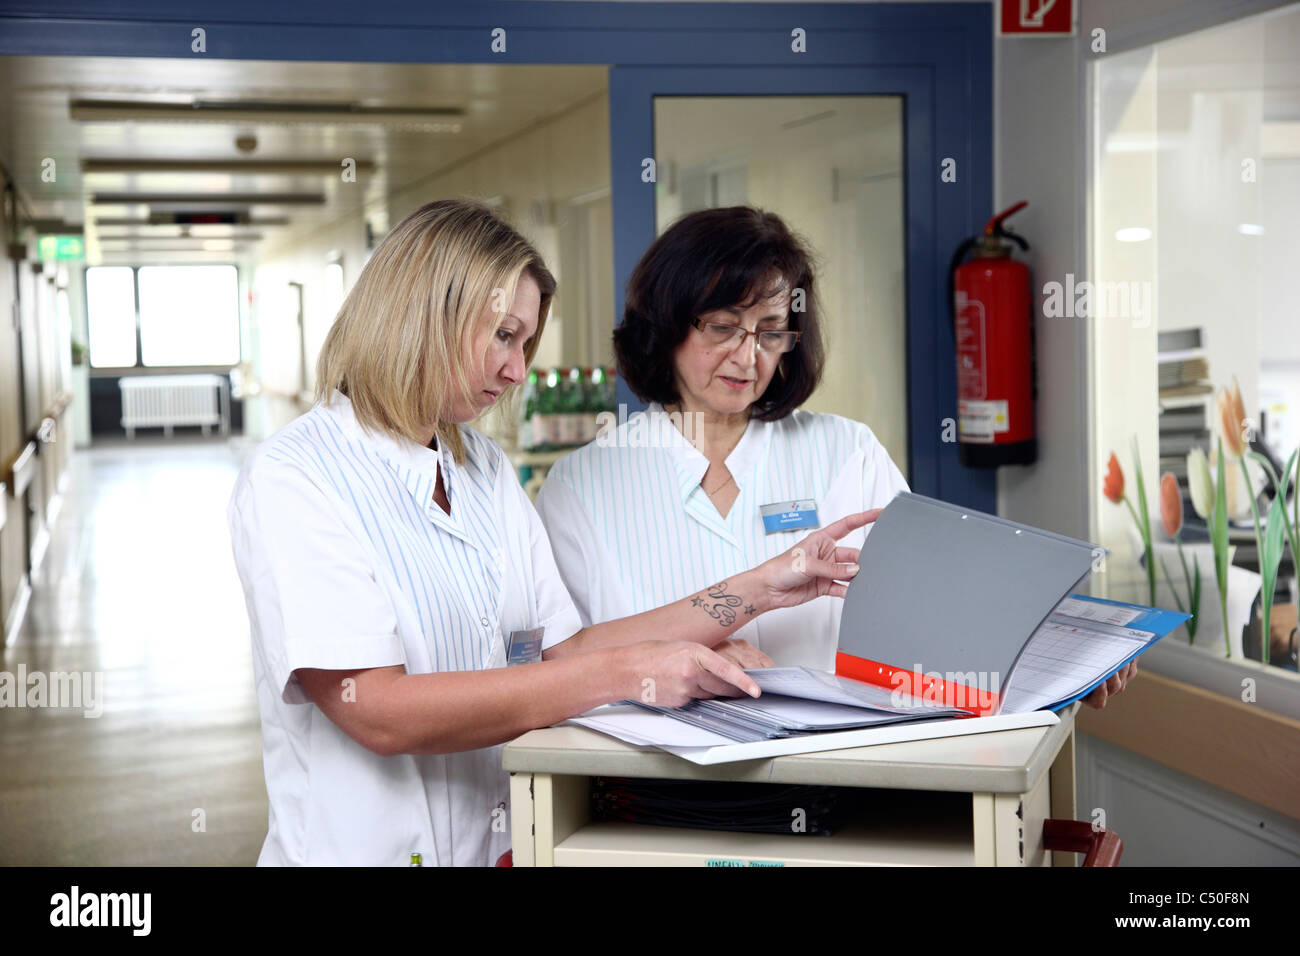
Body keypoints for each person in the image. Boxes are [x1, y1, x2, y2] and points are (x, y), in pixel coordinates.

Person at [226, 199, 876, 866]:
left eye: (525, 343)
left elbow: (563, 653)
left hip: (503, 845)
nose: (517, 371)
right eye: (503, 336)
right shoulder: (296, 477)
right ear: (422, 314)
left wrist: (760, 589)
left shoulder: (482, 468)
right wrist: (627, 673)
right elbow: (379, 710)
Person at [535, 205, 1136, 704]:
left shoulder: (845, 452)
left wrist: (1059, 660)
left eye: (771, 331)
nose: (749, 359)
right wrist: (682, 654)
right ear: (664, 326)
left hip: (833, 773)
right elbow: (556, 664)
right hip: (656, 790)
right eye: (722, 327)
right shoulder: (584, 484)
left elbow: (931, 607)